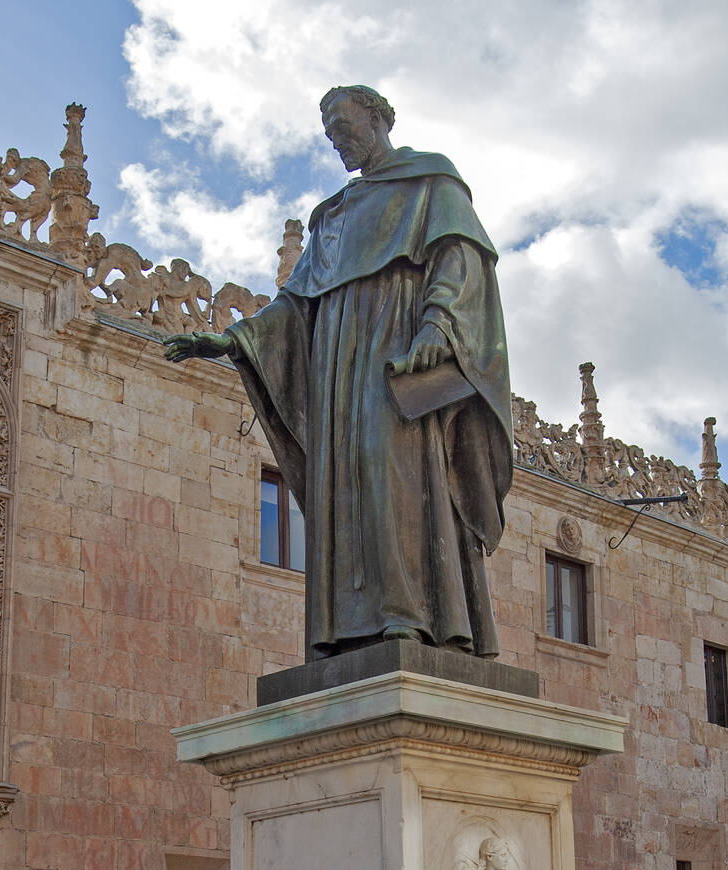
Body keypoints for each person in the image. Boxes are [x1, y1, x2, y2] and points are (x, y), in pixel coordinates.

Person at [163, 85, 513, 658]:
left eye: (343, 123)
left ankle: (412, 614)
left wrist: (437, 326)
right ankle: (347, 628)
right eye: (328, 132)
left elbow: (459, 257)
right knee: (341, 483)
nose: (336, 137)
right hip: (336, 366)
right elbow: (294, 305)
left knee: (390, 464)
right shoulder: (333, 215)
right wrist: (230, 339)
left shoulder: (431, 183)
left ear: (376, 118)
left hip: (395, 354)